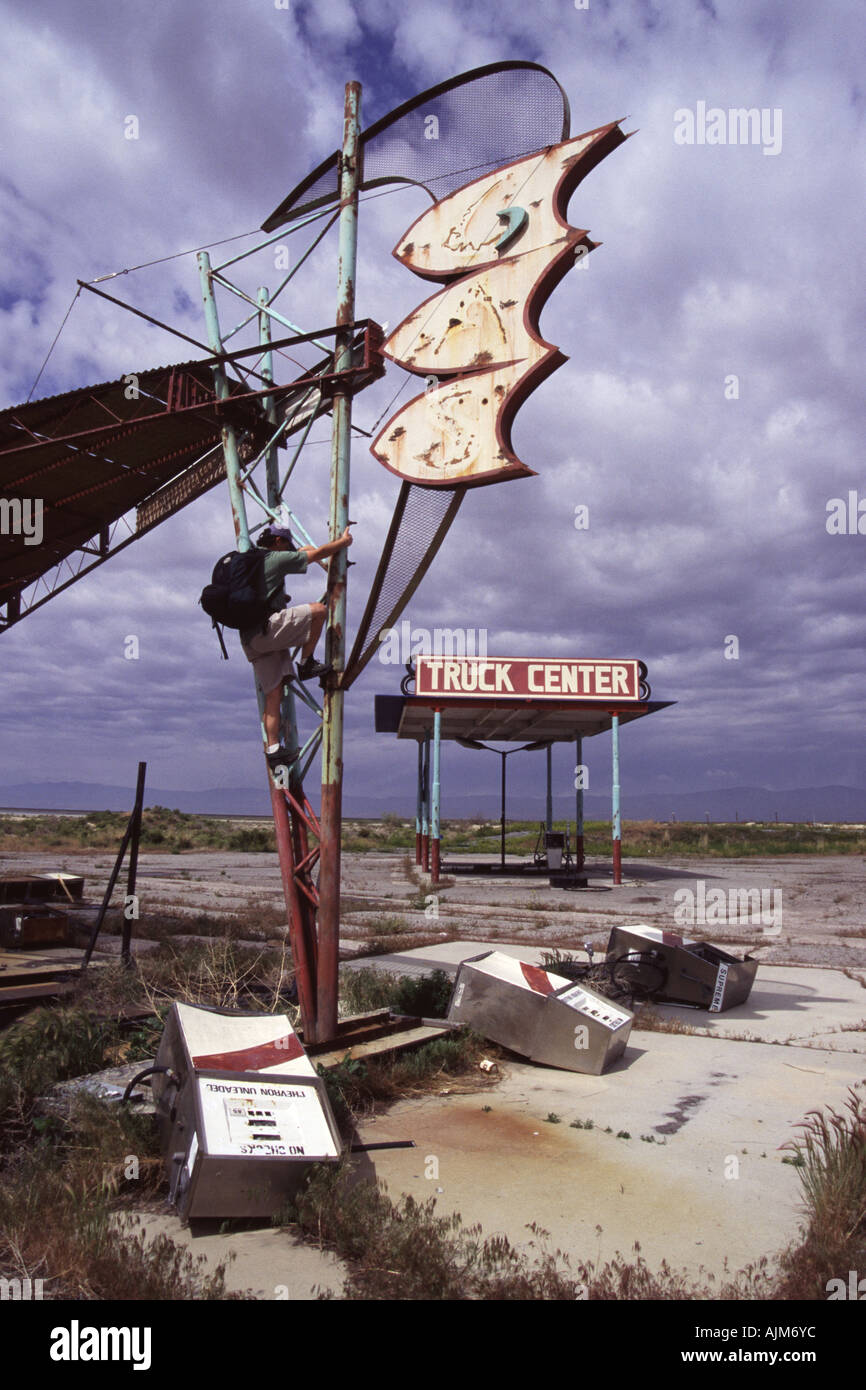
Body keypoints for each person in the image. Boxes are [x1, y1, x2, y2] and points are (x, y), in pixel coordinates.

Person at [240, 522, 353, 770]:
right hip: (267, 630)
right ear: (279, 543)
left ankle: (273, 751)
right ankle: (307, 663)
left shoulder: (253, 562)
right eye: (287, 546)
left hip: (251, 640)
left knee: (273, 694)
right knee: (319, 610)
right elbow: (316, 554)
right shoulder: (275, 559)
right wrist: (343, 543)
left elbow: (306, 551)